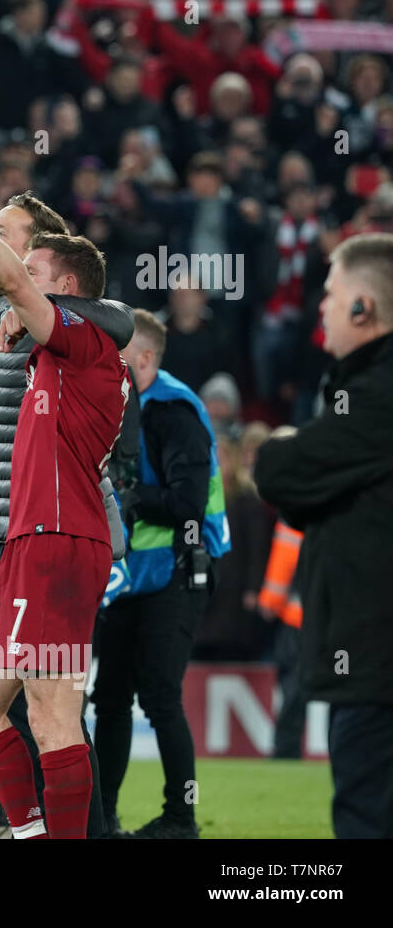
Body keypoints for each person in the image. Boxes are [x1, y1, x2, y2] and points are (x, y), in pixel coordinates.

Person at [0, 156, 130, 839]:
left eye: (33, 278)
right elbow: (10, 291)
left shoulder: (92, 342)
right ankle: (37, 832)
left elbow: (10, 278)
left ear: (66, 287)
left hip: (62, 545)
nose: (15, 289)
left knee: (51, 717)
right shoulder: (52, 348)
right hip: (27, 548)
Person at [256, 232, 393, 839]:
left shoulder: (374, 394)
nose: (321, 309)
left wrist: (285, 447)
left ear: (364, 309)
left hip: (375, 663)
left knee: (365, 817)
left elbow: (280, 471)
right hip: (368, 654)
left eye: (332, 297)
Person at [93, 309, 230, 840]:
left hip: (176, 573)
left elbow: (188, 503)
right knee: (110, 699)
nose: (108, 358)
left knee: (159, 697)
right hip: (134, 575)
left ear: (144, 358)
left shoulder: (173, 411)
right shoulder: (135, 407)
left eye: (118, 350)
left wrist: (126, 498)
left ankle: (181, 818)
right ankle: (102, 818)